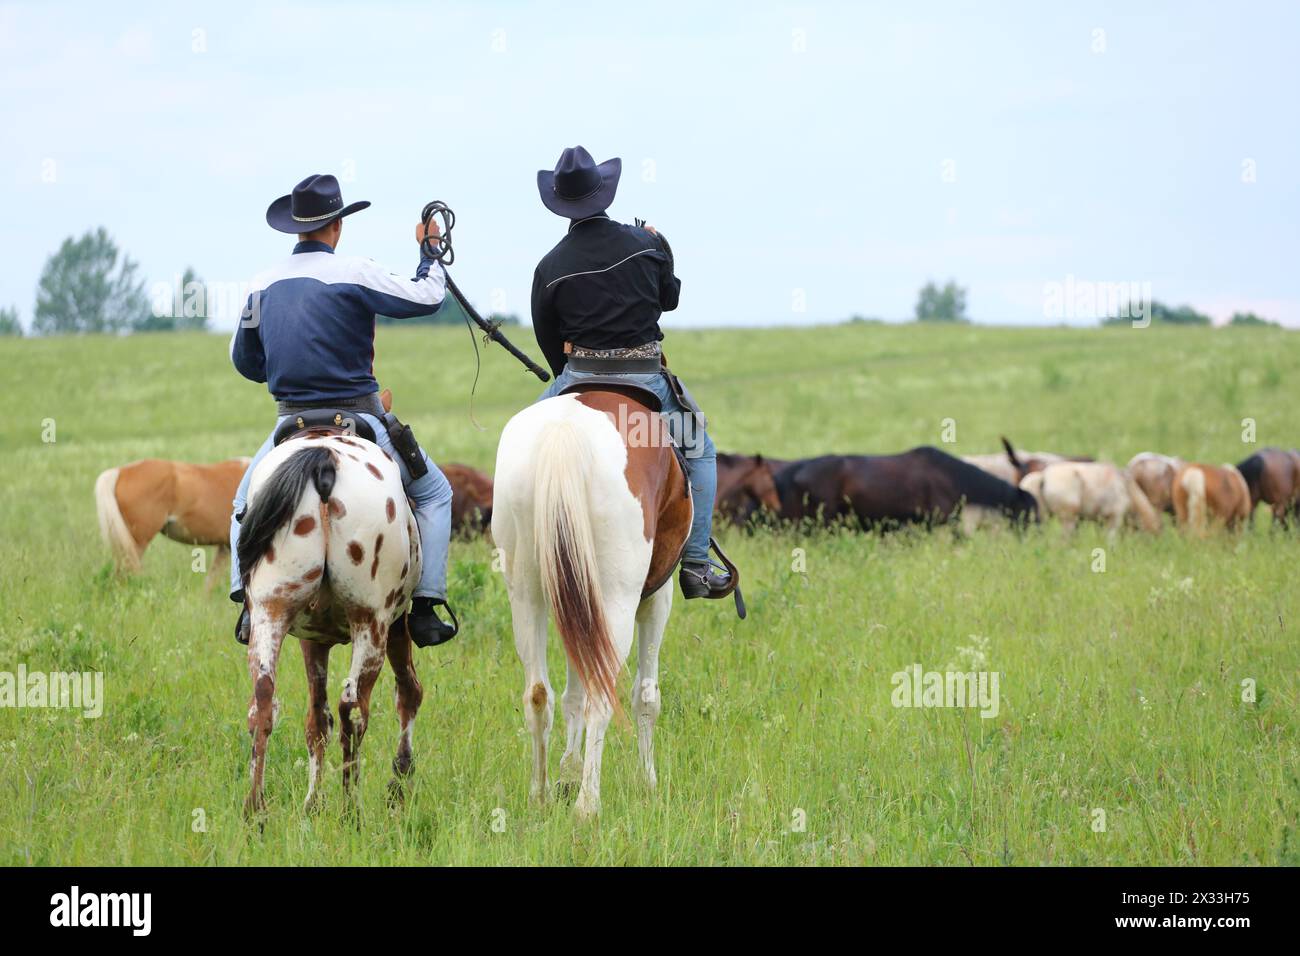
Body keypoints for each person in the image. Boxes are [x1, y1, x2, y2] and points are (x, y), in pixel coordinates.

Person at [227, 173, 458, 647]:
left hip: (287, 423)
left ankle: (247, 604)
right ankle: (427, 606)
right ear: (337, 227)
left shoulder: (261, 283)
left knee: (242, 505)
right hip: (360, 417)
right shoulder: (355, 271)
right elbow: (429, 296)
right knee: (436, 493)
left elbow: (244, 361)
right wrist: (431, 250)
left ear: (297, 228)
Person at [530, 146, 730, 598]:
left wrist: (570, 382)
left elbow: (547, 339)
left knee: (516, 442)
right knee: (700, 450)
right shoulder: (646, 245)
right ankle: (696, 565)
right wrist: (662, 246)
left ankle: (520, 556)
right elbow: (670, 298)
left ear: (560, 202)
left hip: (575, 378)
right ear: (605, 193)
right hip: (645, 379)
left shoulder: (549, 266)